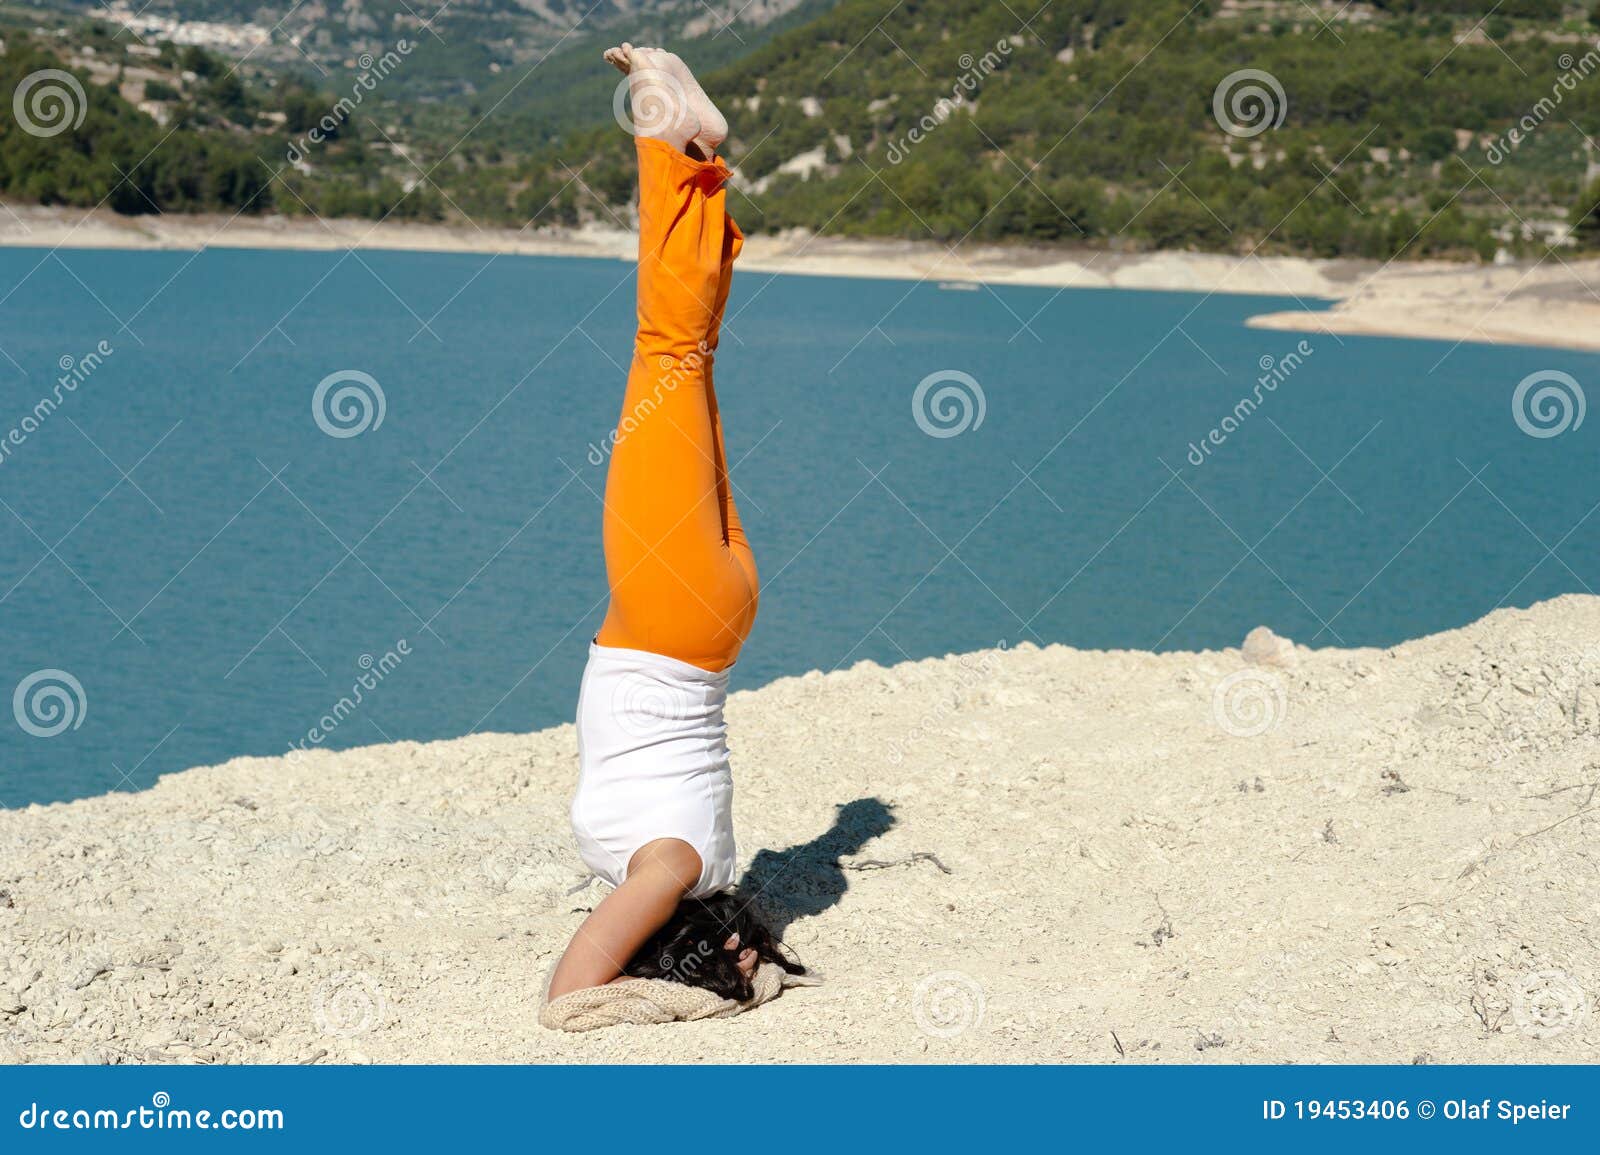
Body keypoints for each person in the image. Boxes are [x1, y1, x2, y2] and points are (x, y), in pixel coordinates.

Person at [547, 46, 804, 1003]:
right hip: (669, 613)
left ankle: (696, 157)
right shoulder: (670, 870)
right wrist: (652, 991)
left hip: (714, 621)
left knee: (690, 361)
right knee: (669, 351)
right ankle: (666, 139)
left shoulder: (706, 871)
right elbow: (571, 994)